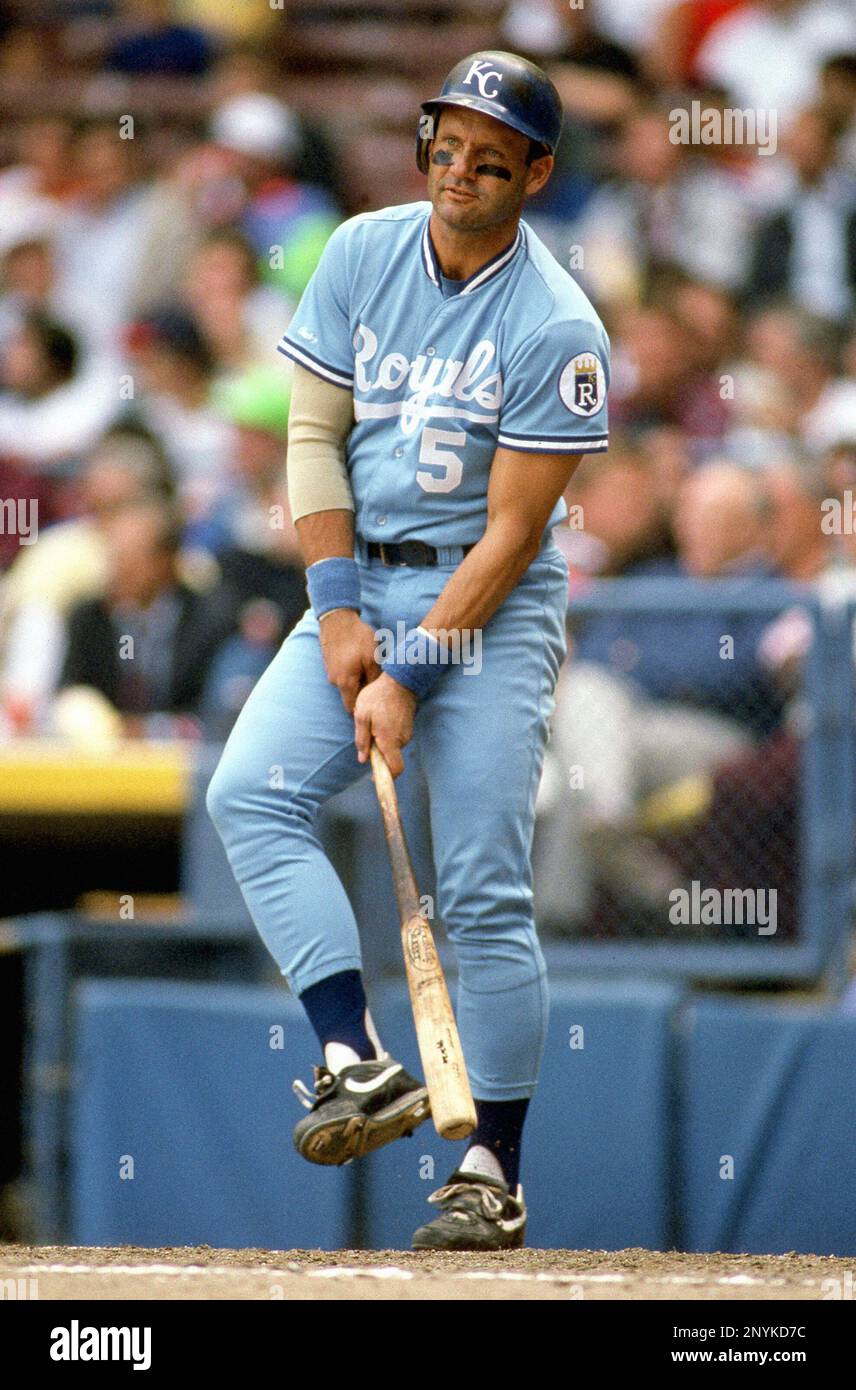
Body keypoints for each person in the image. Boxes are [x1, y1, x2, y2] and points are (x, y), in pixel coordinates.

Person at [206, 51, 610, 1251]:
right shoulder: (361, 251)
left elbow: (514, 533)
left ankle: (493, 1166)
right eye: (447, 145)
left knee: (480, 884)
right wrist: (336, 616)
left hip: (481, 604)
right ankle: (354, 1053)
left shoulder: (557, 323)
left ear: (535, 173)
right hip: (358, 577)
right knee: (251, 795)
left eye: (492, 157)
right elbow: (315, 437)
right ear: (425, 143)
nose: (461, 171)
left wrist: (410, 676)